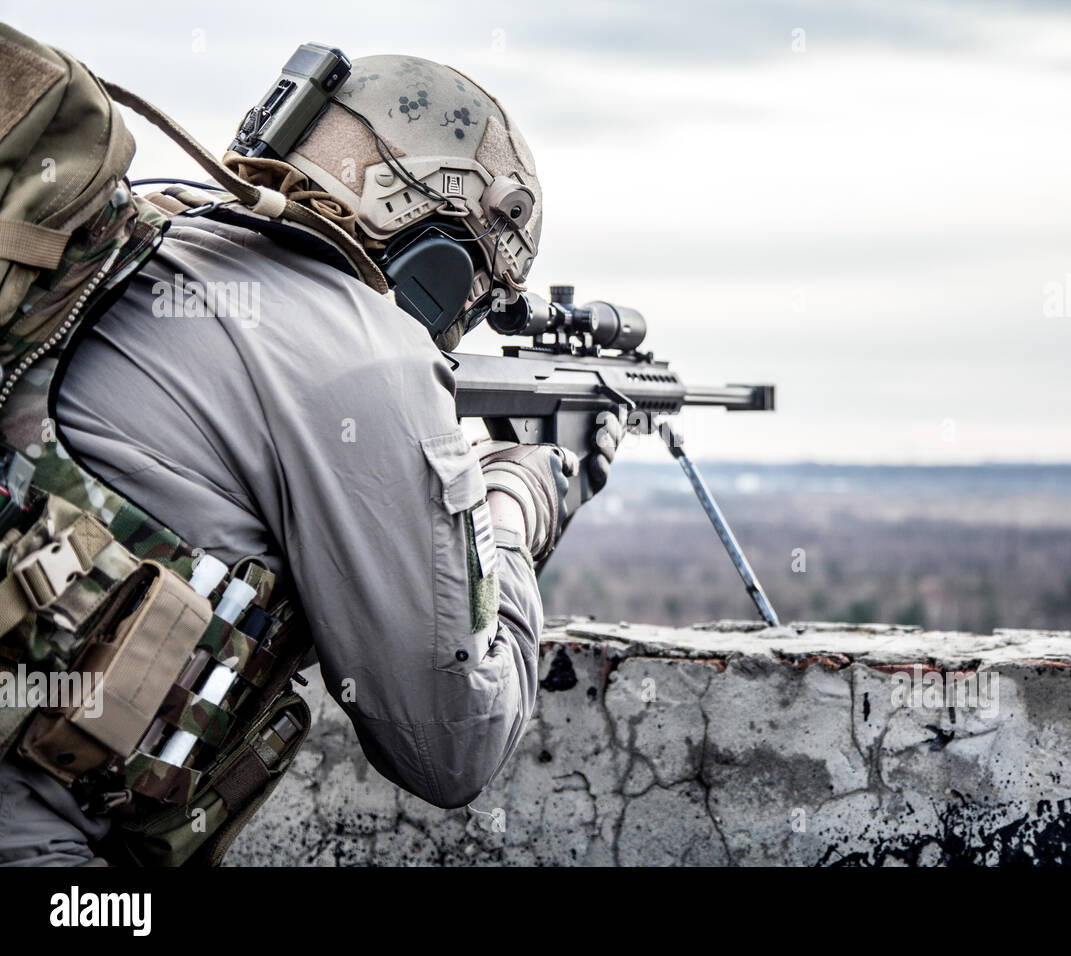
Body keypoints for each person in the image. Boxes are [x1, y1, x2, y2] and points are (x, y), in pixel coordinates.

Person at [0, 49, 620, 865]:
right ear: (438, 260)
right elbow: (451, 746)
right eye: (471, 295)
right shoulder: (368, 355)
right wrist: (516, 503)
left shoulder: (155, 229)